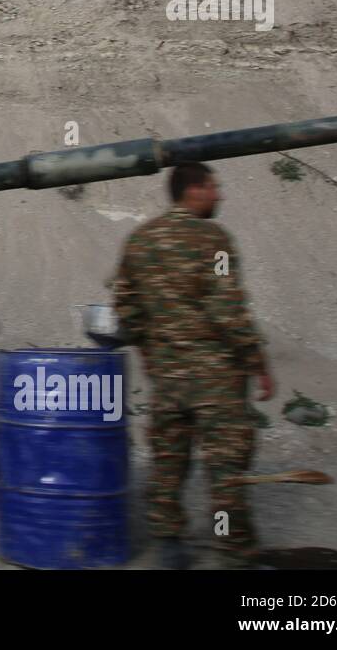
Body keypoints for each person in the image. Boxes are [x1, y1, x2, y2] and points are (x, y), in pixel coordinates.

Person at [111, 162, 275, 569]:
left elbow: (126, 308)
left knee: (168, 463)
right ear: (194, 190)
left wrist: (150, 353)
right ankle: (235, 552)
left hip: (167, 379)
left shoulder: (140, 240)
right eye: (214, 187)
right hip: (215, 380)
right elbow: (227, 308)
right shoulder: (212, 240)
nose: (220, 195)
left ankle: (169, 547)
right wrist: (258, 363)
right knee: (227, 468)